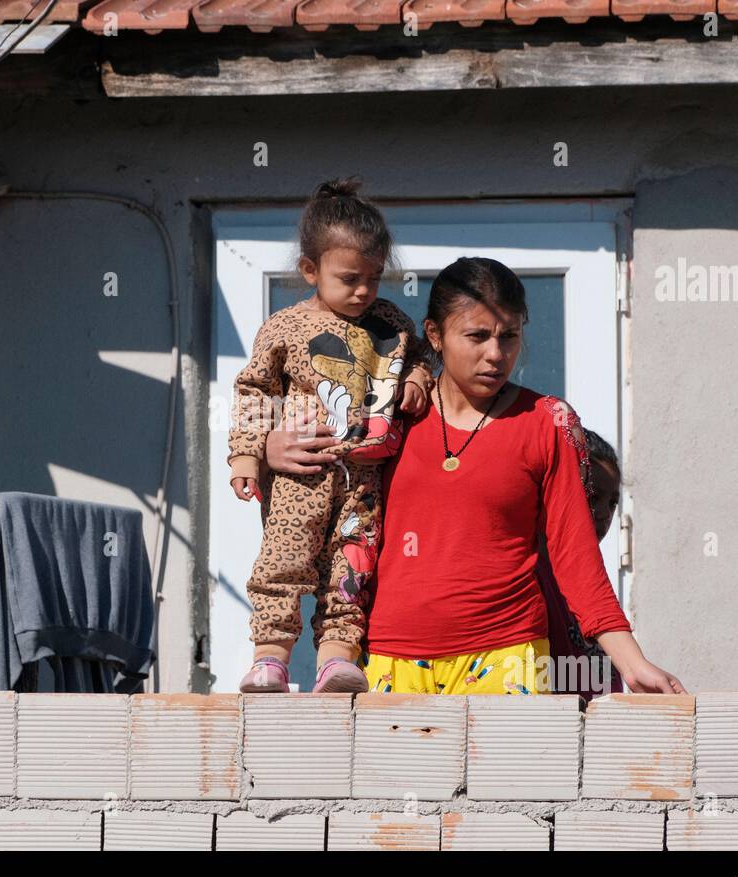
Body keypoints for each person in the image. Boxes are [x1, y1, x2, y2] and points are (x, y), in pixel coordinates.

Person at [264, 258, 685, 696]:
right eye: (477, 336)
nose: (495, 354)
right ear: (434, 335)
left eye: (509, 337)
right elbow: (319, 508)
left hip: (512, 657)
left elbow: (575, 556)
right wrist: (268, 454)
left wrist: (632, 664)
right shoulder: (387, 414)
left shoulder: (549, 423)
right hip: (389, 657)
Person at [228, 177, 433, 694]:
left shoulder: (391, 322)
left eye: (373, 277)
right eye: (348, 278)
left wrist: (417, 377)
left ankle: (338, 662)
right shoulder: (284, 328)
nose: (363, 290)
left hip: (365, 480)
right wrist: (246, 458)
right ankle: (270, 660)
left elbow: (424, 357)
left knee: (353, 567)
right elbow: (255, 391)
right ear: (310, 270)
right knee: (284, 562)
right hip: (302, 474)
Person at [538, 428, 627, 702]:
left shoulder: (595, 583)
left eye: (612, 503)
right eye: (591, 497)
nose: (603, 513)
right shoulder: (531, 578)